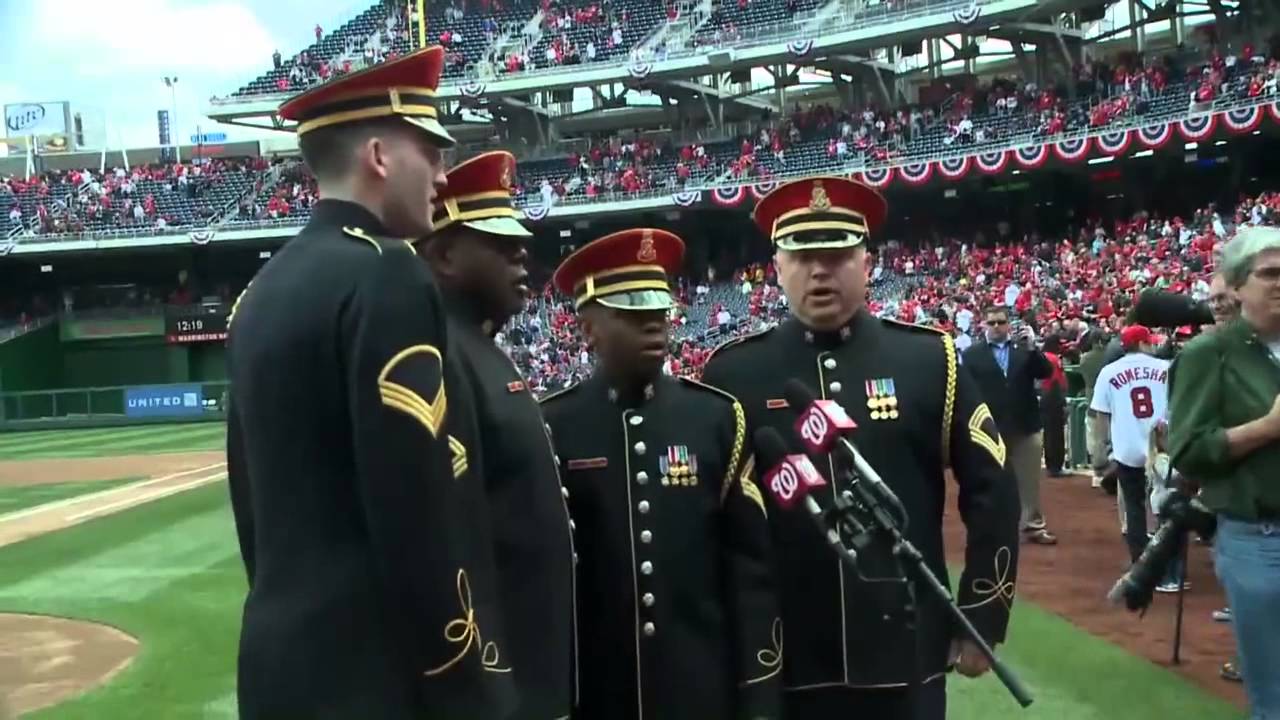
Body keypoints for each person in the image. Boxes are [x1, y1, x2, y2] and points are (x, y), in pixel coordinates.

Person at [225, 47, 518, 720]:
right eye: (432, 151)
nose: (444, 176)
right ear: (381, 156)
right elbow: (416, 502)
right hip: (381, 676)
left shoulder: (258, 293)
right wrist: (466, 681)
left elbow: (251, 506)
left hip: (280, 671)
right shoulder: (388, 273)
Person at [701, 178, 1020, 720]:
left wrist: (982, 614)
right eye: (802, 256)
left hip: (906, 651)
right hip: (784, 660)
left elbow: (992, 488)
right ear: (776, 267)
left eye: (838, 255)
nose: (819, 271)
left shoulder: (929, 360)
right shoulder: (733, 374)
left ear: (868, 263)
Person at [540, 228, 781, 720]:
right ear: (588, 329)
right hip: (599, 693)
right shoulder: (551, 425)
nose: (655, 326)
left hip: (700, 690)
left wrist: (759, 693)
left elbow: (749, 572)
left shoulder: (717, 418)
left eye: (659, 312)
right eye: (632, 314)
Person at [415, 151, 576, 720]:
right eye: (497, 241)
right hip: (497, 679)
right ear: (444, 254)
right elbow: (452, 539)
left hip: (531, 665)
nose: (521, 253)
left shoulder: (480, 349)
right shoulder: (441, 357)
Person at [1169, 226, 1280, 719]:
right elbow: (1189, 450)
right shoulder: (1207, 354)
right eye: (1270, 273)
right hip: (1259, 538)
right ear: (1236, 286)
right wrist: (1266, 427)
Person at [962, 307, 1058, 545]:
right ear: (983, 325)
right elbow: (966, 391)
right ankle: (994, 529)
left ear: (1009, 324)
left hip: (1025, 424)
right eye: (991, 322)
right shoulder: (973, 354)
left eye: (1001, 322)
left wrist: (1034, 348)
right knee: (991, 481)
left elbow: (1046, 372)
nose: (996, 327)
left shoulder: (1023, 350)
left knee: (1029, 481)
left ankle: (1033, 526)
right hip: (990, 428)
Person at [1090, 325, 1170, 565]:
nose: (1153, 345)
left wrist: (1100, 450)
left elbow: (1101, 415)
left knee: (1134, 508)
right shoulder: (1166, 368)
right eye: (1150, 342)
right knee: (1165, 508)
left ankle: (1139, 561)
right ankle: (1168, 563)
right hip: (1163, 448)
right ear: (1142, 344)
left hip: (1127, 450)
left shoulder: (1108, 371)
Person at [1145, 420, 1186, 593]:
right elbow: (1171, 478)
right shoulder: (1159, 459)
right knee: (1168, 544)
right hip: (1165, 503)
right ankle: (1165, 579)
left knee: (1177, 543)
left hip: (1174, 502)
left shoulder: (1167, 457)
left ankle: (1176, 577)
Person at [1078, 331, 1112, 489]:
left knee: (1096, 442)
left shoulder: (1085, 358)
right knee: (1111, 440)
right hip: (1111, 404)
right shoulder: (1112, 357)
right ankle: (1111, 474)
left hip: (1093, 403)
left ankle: (1098, 474)